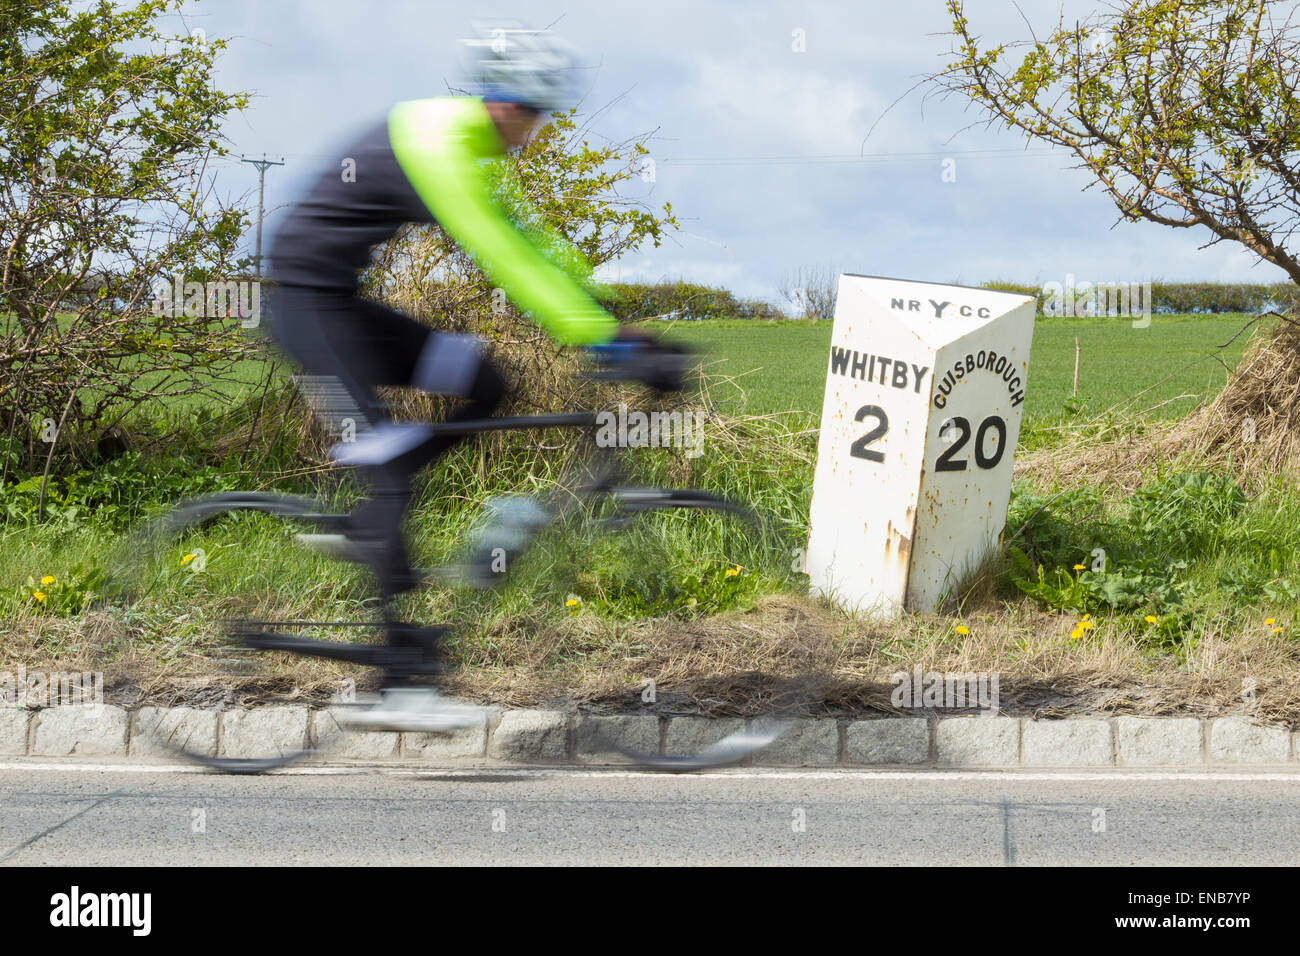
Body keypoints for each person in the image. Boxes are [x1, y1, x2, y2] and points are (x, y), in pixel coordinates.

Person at [265, 26, 654, 732]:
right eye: (530, 114)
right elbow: (502, 254)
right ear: (501, 102)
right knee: (388, 477)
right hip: (307, 311)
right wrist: (600, 338)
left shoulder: (470, 145)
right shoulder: (440, 143)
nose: (534, 131)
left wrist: (615, 324)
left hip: (344, 308)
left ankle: (376, 515)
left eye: (543, 117)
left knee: (487, 382)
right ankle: (397, 685)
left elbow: (532, 240)